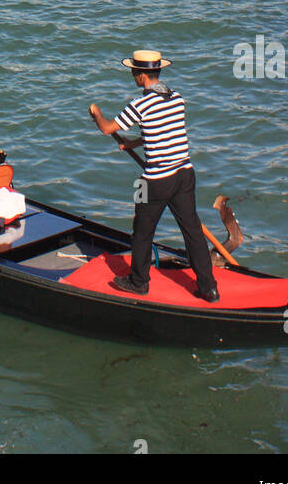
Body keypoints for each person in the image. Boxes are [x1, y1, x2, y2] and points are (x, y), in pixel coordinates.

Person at [89, 47, 219, 302]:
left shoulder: (140, 104)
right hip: (184, 174)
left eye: (133, 72)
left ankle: (138, 282)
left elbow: (106, 129)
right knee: (192, 230)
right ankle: (209, 288)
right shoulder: (177, 97)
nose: (133, 76)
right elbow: (163, 131)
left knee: (142, 230)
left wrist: (97, 114)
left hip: (156, 180)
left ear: (141, 76)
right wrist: (132, 143)